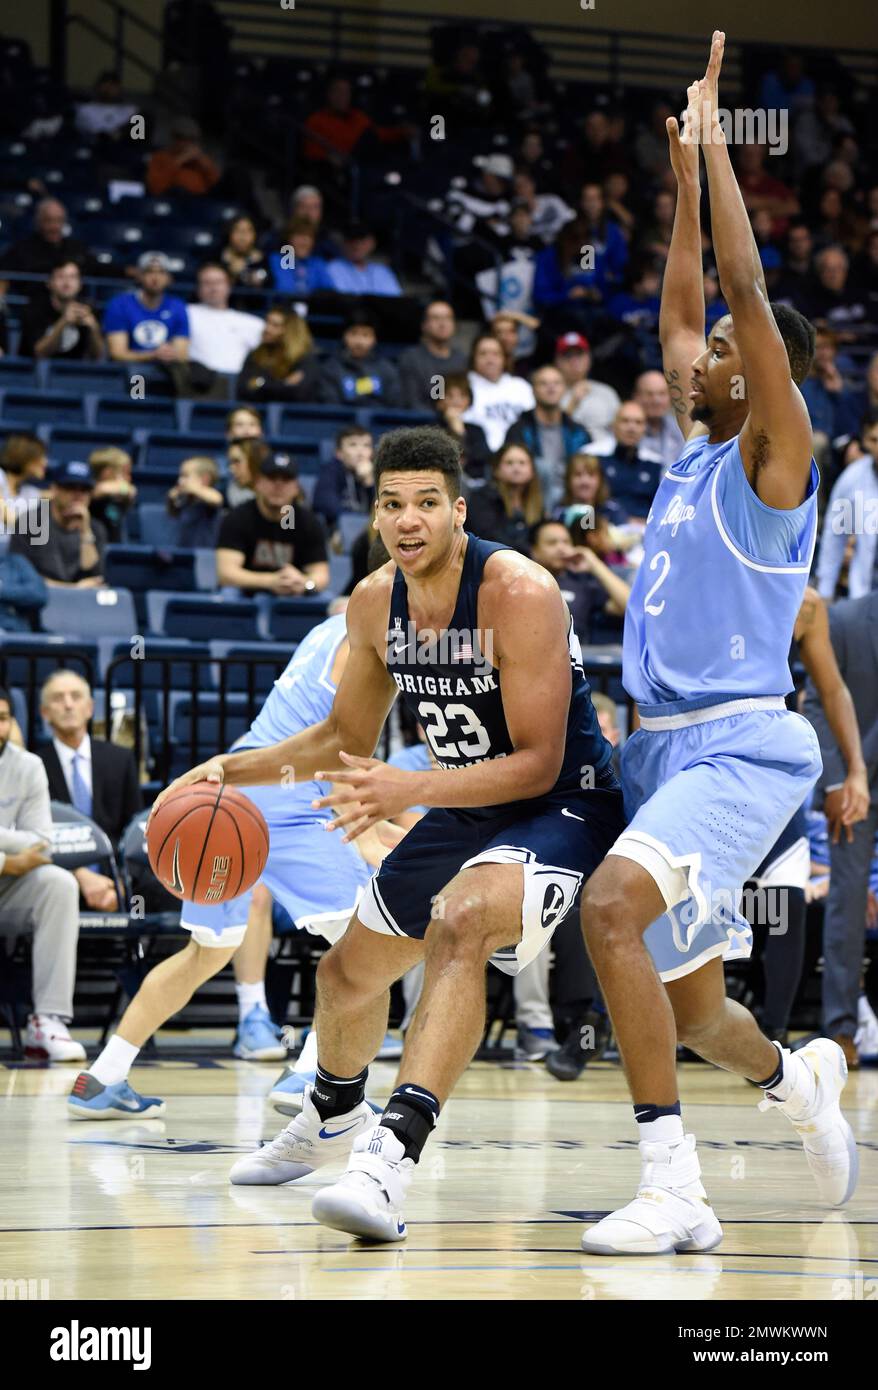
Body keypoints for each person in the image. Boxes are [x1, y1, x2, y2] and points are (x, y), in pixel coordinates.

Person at [153, 425, 625, 1241]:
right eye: (393, 504)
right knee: (344, 980)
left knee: (460, 920)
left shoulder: (519, 590)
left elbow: (542, 762)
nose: (410, 520)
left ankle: (391, 1157)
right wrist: (229, 769)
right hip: (462, 803)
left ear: (459, 511)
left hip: (566, 805)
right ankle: (332, 1115)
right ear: (375, 514)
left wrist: (410, 787)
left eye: (427, 504)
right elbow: (340, 742)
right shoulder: (375, 601)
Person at [578, 35, 856, 1259]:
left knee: (607, 915)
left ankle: (673, 1186)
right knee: (694, 1012)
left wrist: (721, 145)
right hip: (657, 750)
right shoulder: (693, 445)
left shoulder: (773, 461)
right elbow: (686, 299)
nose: (696, 357)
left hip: (738, 745)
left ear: (770, 377)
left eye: (726, 356)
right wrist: (684, 183)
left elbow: (739, 292)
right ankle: (795, 1078)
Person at [66, 606, 397, 1117]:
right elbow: (340, 746)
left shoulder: (331, 625)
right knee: (370, 941)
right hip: (290, 794)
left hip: (233, 795)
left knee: (206, 952)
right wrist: (368, 835)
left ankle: (103, 1076)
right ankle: (311, 1076)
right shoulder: (380, 635)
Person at [744, 588, 869, 1050]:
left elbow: (831, 689)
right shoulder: (701, 578)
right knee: (690, 905)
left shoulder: (806, 603)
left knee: (784, 902)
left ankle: (774, 1031)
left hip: (770, 767)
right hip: (703, 756)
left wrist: (853, 768)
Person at [802, 589, 878, 1069]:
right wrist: (837, 779)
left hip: (860, 772)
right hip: (852, 788)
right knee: (846, 903)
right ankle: (841, 1028)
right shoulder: (844, 618)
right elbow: (817, 708)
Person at [0, 687, 84, 1063]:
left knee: (59, 884)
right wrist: (4, 859)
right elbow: (24, 844)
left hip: (9, 889)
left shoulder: (28, 765)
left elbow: (42, 843)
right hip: (7, 870)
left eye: (3, 718)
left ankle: (48, 1020)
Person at [38, 670, 142, 913]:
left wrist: (122, 883)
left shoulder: (120, 759)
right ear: (45, 713)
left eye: (76, 696)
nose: (68, 704)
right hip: (57, 873)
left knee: (163, 885)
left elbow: (136, 831)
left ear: (90, 708)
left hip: (114, 876)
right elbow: (33, 838)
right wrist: (80, 876)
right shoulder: (33, 765)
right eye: (57, 698)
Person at [216, 452, 329, 595]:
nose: (278, 485)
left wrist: (305, 583)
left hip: (293, 593)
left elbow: (321, 575)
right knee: (229, 593)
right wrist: (270, 581)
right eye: (272, 478)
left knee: (324, 596)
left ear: (296, 487)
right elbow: (226, 574)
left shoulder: (308, 522)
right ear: (258, 483)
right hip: (247, 594)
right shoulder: (237, 517)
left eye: (286, 479)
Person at [529, 518, 630, 647]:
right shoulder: (522, 583)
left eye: (566, 542)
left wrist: (594, 563)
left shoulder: (582, 583)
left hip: (575, 660)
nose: (561, 548)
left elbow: (629, 607)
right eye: (552, 543)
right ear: (534, 550)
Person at [503, 364, 590, 509]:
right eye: (544, 383)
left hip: (573, 500)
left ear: (564, 389)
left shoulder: (578, 432)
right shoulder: (518, 430)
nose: (551, 388)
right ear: (533, 390)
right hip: (532, 501)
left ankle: (587, 528)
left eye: (556, 383)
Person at [10, 460, 107, 588]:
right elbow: (21, 577)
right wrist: (74, 589)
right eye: (70, 487)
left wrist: (85, 532)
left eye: (85, 489)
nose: (78, 494)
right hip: (40, 602)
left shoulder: (95, 528)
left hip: (83, 604)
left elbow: (95, 577)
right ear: (54, 489)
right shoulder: (31, 522)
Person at [814, 410, 878, 599]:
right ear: (866, 442)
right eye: (875, 440)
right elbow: (834, 537)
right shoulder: (852, 478)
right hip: (864, 592)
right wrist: (824, 593)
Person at [103, 252, 189, 367]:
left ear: (169, 278)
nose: (155, 278)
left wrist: (168, 354)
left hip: (167, 372)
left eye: (161, 272)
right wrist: (153, 355)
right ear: (139, 276)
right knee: (137, 377)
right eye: (149, 272)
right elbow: (117, 353)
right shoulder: (120, 304)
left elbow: (182, 354)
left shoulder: (177, 306)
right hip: (130, 371)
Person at [0, 198, 101, 294]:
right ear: (38, 222)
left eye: (59, 220)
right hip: (32, 307)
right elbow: (4, 274)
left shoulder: (77, 248)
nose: (54, 226)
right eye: (48, 220)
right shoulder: (21, 249)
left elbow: (98, 268)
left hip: (70, 305)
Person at [586, 401, 664, 520]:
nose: (631, 428)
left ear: (644, 428)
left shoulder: (656, 463)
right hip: (601, 528)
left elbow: (661, 507)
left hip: (643, 531)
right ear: (613, 425)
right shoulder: (592, 455)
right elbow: (582, 501)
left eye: (638, 422)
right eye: (625, 421)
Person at [187, 262, 264, 378]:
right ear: (198, 288)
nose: (213, 288)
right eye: (207, 283)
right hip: (196, 384)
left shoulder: (251, 322)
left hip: (235, 387)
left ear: (229, 286)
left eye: (218, 282)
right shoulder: (186, 313)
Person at [464, 442, 543, 554]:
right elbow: (488, 537)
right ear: (496, 470)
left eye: (522, 463)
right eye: (509, 463)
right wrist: (529, 553)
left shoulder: (537, 503)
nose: (516, 468)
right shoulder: (483, 497)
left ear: (532, 471)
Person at [18, 261, 104, 360]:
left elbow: (97, 355)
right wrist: (63, 322)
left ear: (80, 284)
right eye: (60, 276)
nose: (67, 282)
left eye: (73, 277)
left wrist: (93, 327)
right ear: (49, 283)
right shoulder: (34, 309)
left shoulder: (88, 308)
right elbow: (40, 353)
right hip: (33, 372)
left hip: (74, 372)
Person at [463, 333, 535, 452]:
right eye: (483, 353)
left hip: (524, 455)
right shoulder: (463, 385)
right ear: (473, 357)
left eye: (495, 354)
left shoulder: (521, 386)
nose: (490, 359)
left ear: (504, 359)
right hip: (481, 457)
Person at [318, 310, 401, 407]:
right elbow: (330, 406)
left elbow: (395, 405)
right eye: (353, 333)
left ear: (374, 339)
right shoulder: (330, 369)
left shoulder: (387, 369)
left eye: (365, 335)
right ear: (344, 336)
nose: (359, 342)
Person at [238, 307, 321, 403]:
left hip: (292, 415)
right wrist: (284, 384)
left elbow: (300, 393)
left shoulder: (305, 359)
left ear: (290, 331)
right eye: (267, 322)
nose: (267, 329)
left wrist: (260, 383)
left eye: (275, 325)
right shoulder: (256, 356)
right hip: (257, 413)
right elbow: (244, 389)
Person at [398, 301, 467, 412]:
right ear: (424, 325)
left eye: (448, 318)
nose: (442, 324)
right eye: (436, 318)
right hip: (424, 424)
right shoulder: (411, 359)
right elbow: (412, 402)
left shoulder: (462, 360)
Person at [554, 332, 621, 446]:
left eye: (579, 355)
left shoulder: (606, 392)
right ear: (557, 361)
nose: (574, 361)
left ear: (588, 359)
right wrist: (573, 403)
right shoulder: (550, 392)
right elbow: (548, 434)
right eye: (567, 355)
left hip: (604, 452)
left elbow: (621, 428)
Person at [312, 427, 374, 535]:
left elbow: (384, 512)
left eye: (366, 446)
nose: (360, 452)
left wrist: (369, 483)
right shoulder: (331, 470)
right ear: (339, 453)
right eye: (353, 445)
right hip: (339, 532)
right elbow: (323, 502)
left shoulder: (378, 474)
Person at [432, 374, 492, 481]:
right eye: (450, 396)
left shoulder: (476, 430)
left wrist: (460, 432)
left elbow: (481, 458)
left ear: (469, 401)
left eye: (462, 396)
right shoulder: (431, 429)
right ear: (439, 401)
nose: (456, 401)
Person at [145, 116, 220, 197]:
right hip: (170, 199)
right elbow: (155, 188)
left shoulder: (202, 160)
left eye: (191, 139)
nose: (186, 143)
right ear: (173, 138)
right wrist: (180, 160)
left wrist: (206, 166)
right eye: (181, 138)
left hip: (198, 202)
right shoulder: (160, 157)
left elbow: (218, 188)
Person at [326, 225, 403, 298]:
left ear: (372, 243)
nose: (357, 245)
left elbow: (396, 301)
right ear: (343, 243)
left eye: (362, 240)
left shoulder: (382, 271)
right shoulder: (333, 268)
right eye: (351, 240)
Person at [166, 456, 224, 548]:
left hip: (203, 556)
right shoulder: (185, 500)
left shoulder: (209, 501)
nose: (180, 481)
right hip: (183, 553)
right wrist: (170, 500)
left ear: (205, 479)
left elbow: (217, 499)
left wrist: (194, 489)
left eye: (185, 476)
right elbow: (172, 514)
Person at [268, 218, 334, 296]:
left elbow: (329, 292)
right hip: (284, 306)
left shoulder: (318, 263)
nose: (304, 241)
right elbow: (284, 288)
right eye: (300, 236)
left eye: (309, 236)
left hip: (313, 307)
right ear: (289, 238)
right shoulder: (276, 260)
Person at [88, 446, 136, 544]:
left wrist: (122, 487)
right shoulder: (87, 492)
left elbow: (130, 490)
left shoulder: (118, 496)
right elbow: (98, 490)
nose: (129, 478)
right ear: (107, 473)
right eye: (125, 473)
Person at [632, 370, 681, 467]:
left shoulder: (679, 428)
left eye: (662, 394)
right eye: (649, 394)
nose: (656, 400)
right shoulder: (628, 428)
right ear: (636, 397)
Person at [219, 215, 268, 289]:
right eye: (237, 231)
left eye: (248, 231)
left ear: (255, 234)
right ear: (229, 233)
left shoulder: (266, 260)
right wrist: (231, 274)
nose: (242, 237)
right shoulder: (216, 258)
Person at [225, 436, 264, 509]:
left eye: (237, 461)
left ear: (255, 460)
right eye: (230, 463)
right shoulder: (233, 491)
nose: (231, 469)